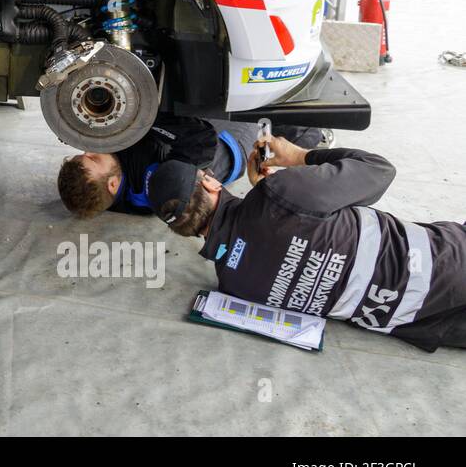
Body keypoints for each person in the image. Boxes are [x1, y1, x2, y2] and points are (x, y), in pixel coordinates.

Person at [148, 134, 466, 352]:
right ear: (212, 182)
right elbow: (379, 171)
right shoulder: (282, 194)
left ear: (184, 231)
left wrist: (272, 191)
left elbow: (269, 238)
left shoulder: (233, 285)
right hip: (450, 260)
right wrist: (299, 158)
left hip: (426, 323)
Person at [57, 116, 328, 218]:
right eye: (93, 158)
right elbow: (200, 140)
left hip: (199, 147)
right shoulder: (155, 179)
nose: (91, 150)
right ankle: (310, 135)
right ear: (112, 184)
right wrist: (142, 120)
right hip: (226, 146)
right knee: (245, 101)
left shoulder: (107, 193)